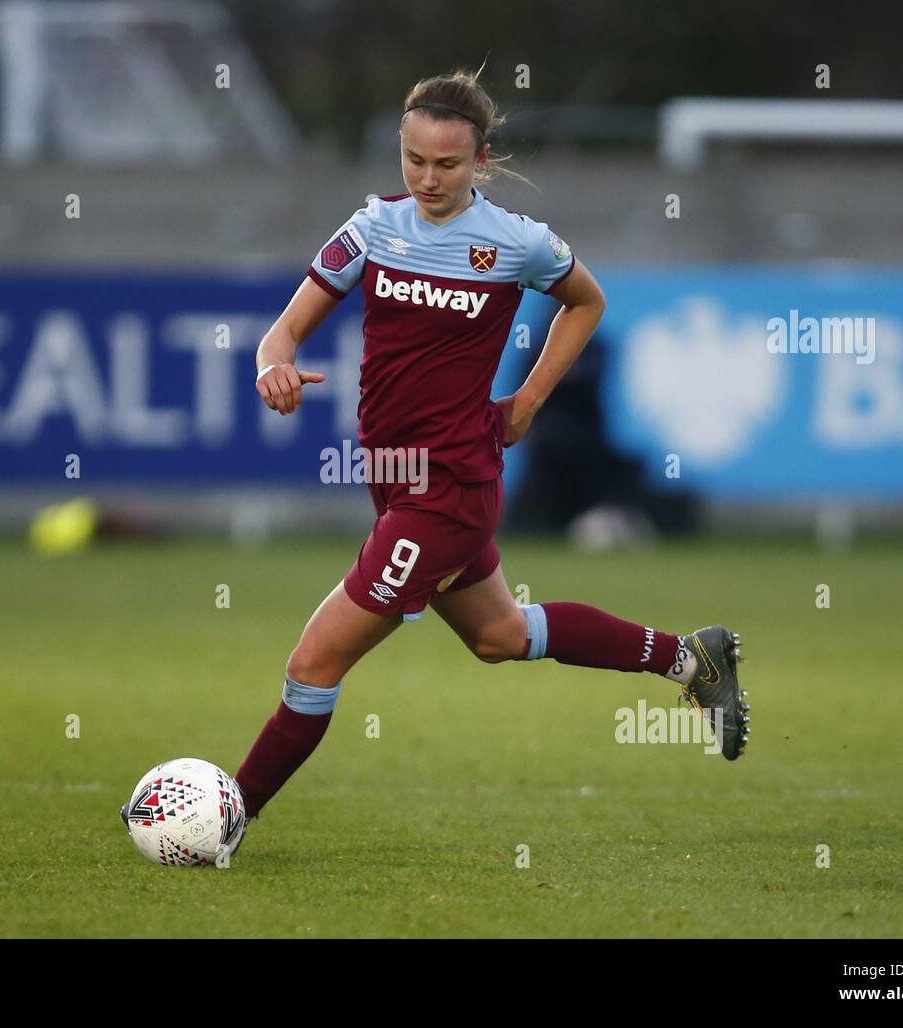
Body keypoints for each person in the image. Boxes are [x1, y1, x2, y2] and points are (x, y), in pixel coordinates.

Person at [126, 67, 750, 842]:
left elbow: (587, 301)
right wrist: (270, 368)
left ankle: (226, 819)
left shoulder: (513, 242)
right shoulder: (371, 229)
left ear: (481, 160)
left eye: (448, 164)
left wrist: (525, 402)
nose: (428, 178)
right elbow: (280, 332)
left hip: (448, 490)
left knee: (313, 663)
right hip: (391, 480)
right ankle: (692, 661)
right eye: (415, 160)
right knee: (502, 637)